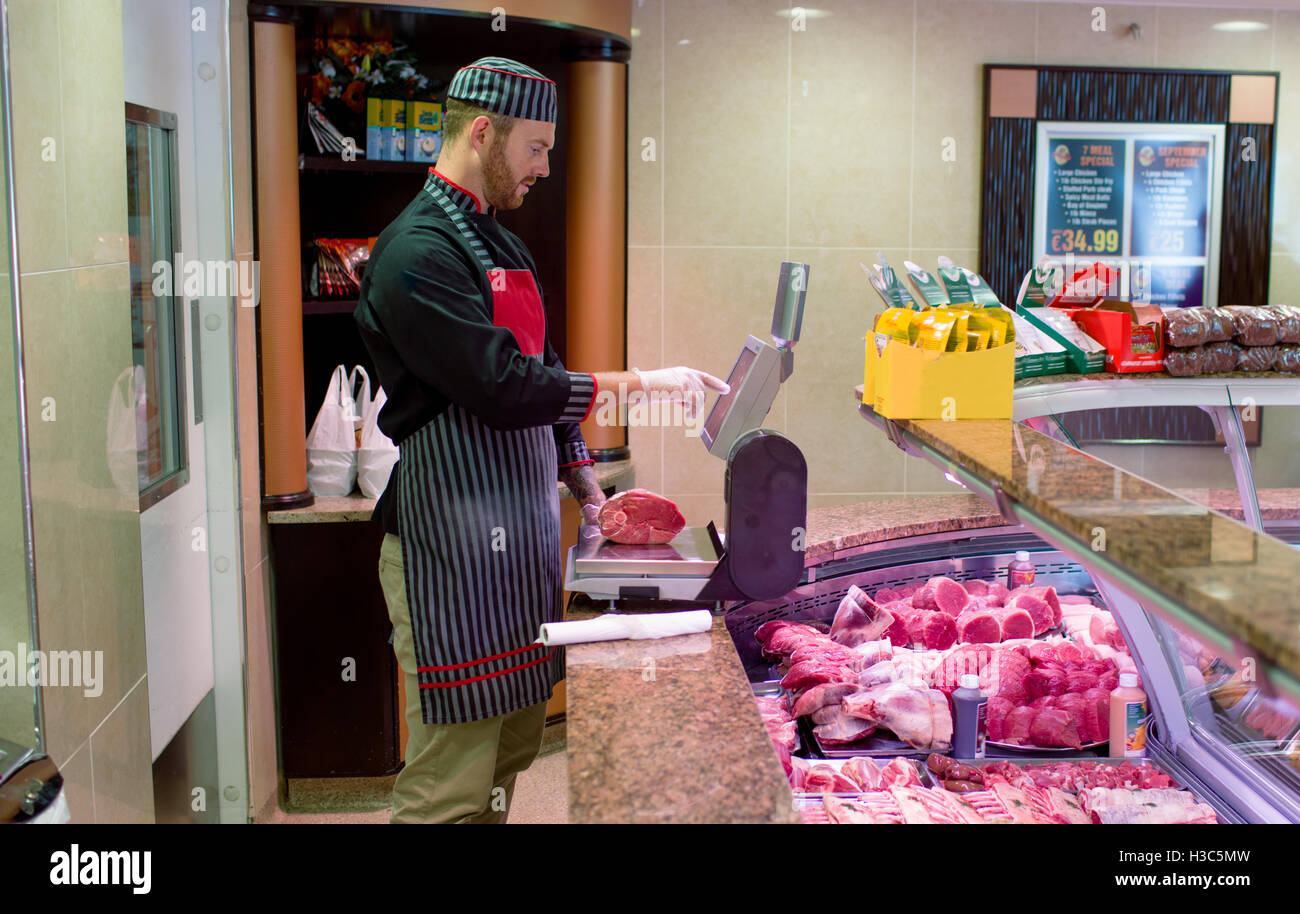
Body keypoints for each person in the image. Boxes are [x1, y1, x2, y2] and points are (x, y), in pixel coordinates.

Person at [353, 56, 727, 824]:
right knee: (447, 785)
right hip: (447, 552)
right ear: (483, 133)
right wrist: (643, 381)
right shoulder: (416, 253)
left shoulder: (505, 248)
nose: (546, 168)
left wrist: (587, 487)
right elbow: (501, 385)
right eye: (536, 148)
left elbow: (542, 374)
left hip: (516, 548)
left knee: (510, 752)